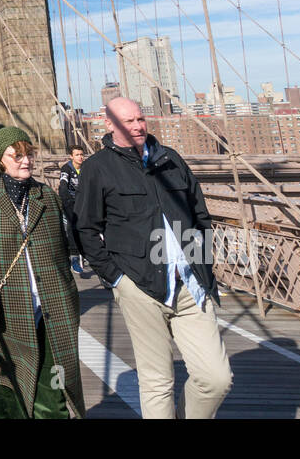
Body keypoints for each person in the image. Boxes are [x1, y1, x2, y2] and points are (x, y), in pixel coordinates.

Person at [74, 96, 232, 419]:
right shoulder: (97, 168)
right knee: (157, 382)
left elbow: (200, 216)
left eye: (140, 119)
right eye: (127, 121)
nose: (137, 126)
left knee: (216, 379)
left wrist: (203, 263)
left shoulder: (170, 160)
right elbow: (84, 230)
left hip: (189, 285)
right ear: (109, 125)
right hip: (140, 287)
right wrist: (117, 279)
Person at [0, 124, 84, 419]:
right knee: (7, 393)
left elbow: (62, 245)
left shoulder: (46, 195)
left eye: (29, 154)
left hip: (50, 309)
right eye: (16, 155)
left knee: (54, 396)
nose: (26, 161)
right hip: (1, 311)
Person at [58, 144, 88, 275]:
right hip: (70, 200)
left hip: (84, 200)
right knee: (72, 225)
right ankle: (74, 256)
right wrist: (66, 198)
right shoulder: (67, 169)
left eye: (82, 154)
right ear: (71, 156)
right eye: (77, 155)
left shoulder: (87, 168)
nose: (80, 157)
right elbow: (63, 185)